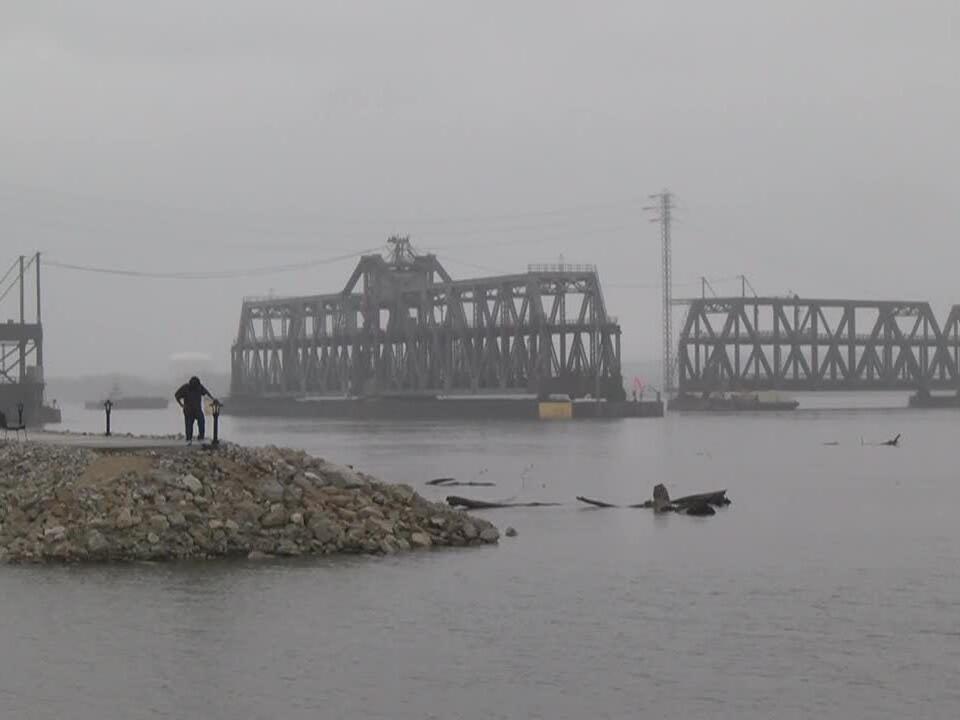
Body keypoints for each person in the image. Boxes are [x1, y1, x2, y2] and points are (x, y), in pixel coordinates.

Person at [174, 376, 216, 445]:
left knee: (201, 422)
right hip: (188, 410)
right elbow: (176, 395)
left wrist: (213, 399)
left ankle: (201, 437)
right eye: (195, 386)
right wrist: (181, 404)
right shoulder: (185, 388)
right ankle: (189, 439)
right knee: (189, 425)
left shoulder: (199, 387)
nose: (196, 387)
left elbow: (206, 393)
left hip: (197, 410)